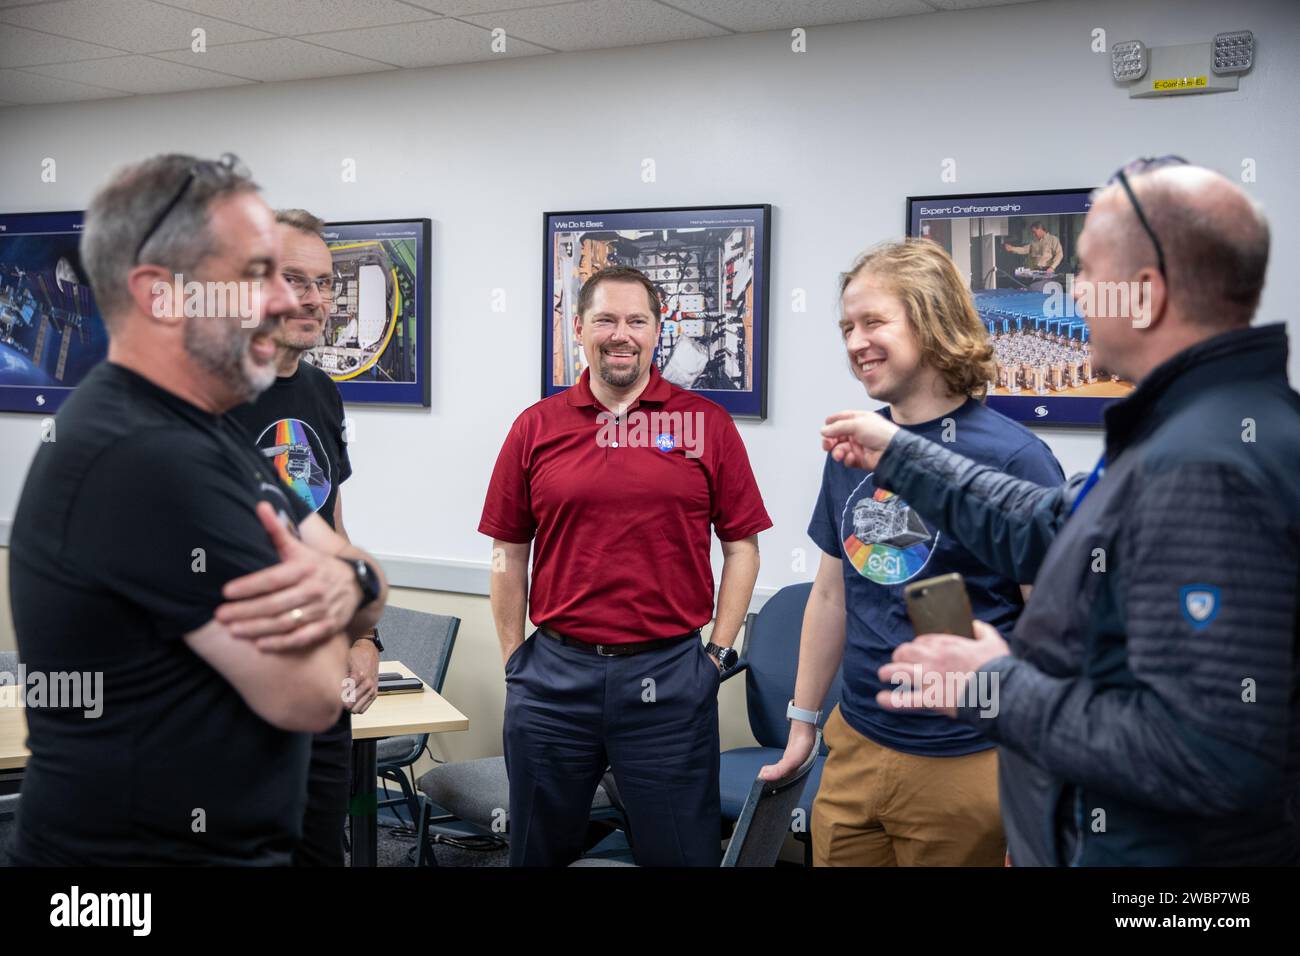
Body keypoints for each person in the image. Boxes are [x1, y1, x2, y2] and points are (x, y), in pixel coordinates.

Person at [821, 159, 1299, 866]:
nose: (1073, 291)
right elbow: (1052, 525)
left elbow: (1207, 754)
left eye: (1086, 270)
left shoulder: (1209, 464)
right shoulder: (1191, 424)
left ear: (1145, 293)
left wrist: (995, 686)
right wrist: (900, 453)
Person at [7, 154, 388, 865]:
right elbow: (309, 694)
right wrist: (350, 588)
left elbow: (350, 571)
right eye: (255, 276)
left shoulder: (204, 427)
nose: (284, 303)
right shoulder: (144, 457)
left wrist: (354, 589)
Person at [758, 239, 1063, 866]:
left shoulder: (1014, 459)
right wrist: (802, 724)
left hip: (968, 758)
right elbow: (831, 594)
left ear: (930, 319)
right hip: (856, 746)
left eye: (873, 322)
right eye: (846, 326)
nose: (854, 342)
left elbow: (1054, 626)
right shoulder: (857, 445)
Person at [481, 265, 771, 866]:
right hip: (553, 679)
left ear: (657, 330)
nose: (621, 334)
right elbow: (508, 550)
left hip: (668, 679)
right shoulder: (536, 427)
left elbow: (742, 547)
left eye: (636, 320)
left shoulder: (705, 426)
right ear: (580, 328)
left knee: (681, 855)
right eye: (606, 320)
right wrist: (516, 659)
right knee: (536, 852)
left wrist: (715, 654)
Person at [227, 208, 381, 867]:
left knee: (322, 851)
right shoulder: (204, 394)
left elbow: (331, 524)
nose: (315, 298)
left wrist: (364, 638)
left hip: (319, 684)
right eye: (296, 279)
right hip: (231, 690)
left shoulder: (321, 392)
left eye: (323, 282)